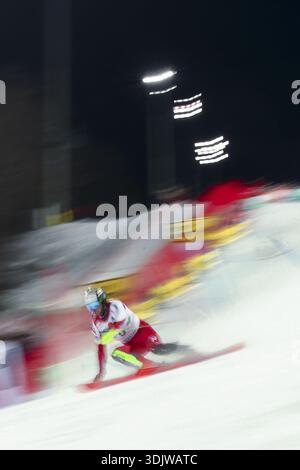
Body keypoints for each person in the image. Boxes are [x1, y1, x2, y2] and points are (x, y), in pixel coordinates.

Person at [84, 286, 169, 382]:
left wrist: (105, 337)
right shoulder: (96, 324)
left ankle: (181, 351)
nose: (93, 310)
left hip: (143, 334)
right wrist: (101, 372)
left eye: (94, 305)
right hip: (131, 345)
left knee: (158, 349)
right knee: (116, 354)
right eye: (89, 307)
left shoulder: (115, 306)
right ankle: (147, 365)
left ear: (102, 301)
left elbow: (118, 325)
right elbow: (100, 348)